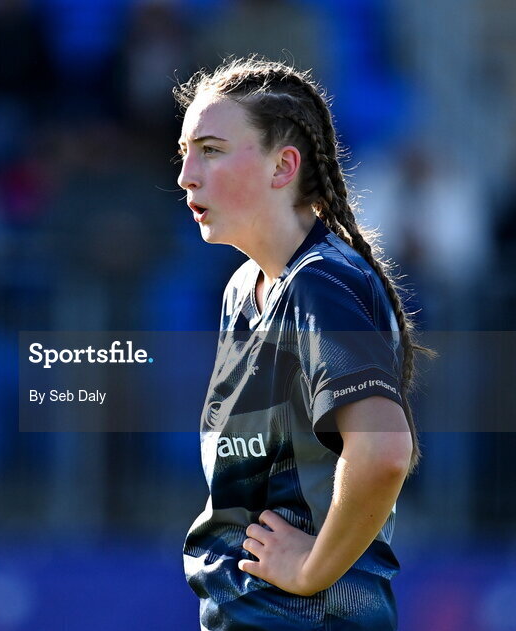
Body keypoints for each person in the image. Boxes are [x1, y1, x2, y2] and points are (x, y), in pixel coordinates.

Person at [174, 57, 429, 630]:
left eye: (211, 149)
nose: (188, 174)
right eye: (185, 151)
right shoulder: (246, 287)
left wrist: (313, 570)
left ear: (283, 165)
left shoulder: (319, 284)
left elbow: (384, 451)